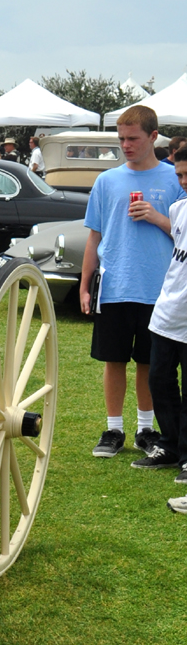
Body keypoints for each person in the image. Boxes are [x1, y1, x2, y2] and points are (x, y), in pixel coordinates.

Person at [81, 104, 185, 458]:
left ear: (154, 137)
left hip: (160, 289)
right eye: (121, 139)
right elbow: (94, 237)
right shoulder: (106, 180)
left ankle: (145, 429)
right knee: (114, 360)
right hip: (115, 284)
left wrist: (158, 218)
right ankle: (113, 429)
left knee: (149, 362)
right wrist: (84, 285)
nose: (125, 145)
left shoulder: (176, 179)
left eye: (133, 139)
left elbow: (184, 234)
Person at [135, 154, 187, 499]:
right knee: (160, 381)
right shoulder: (180, 209)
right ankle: (169, 446)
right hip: (169, 312)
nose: (183, 181)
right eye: (180, 174)